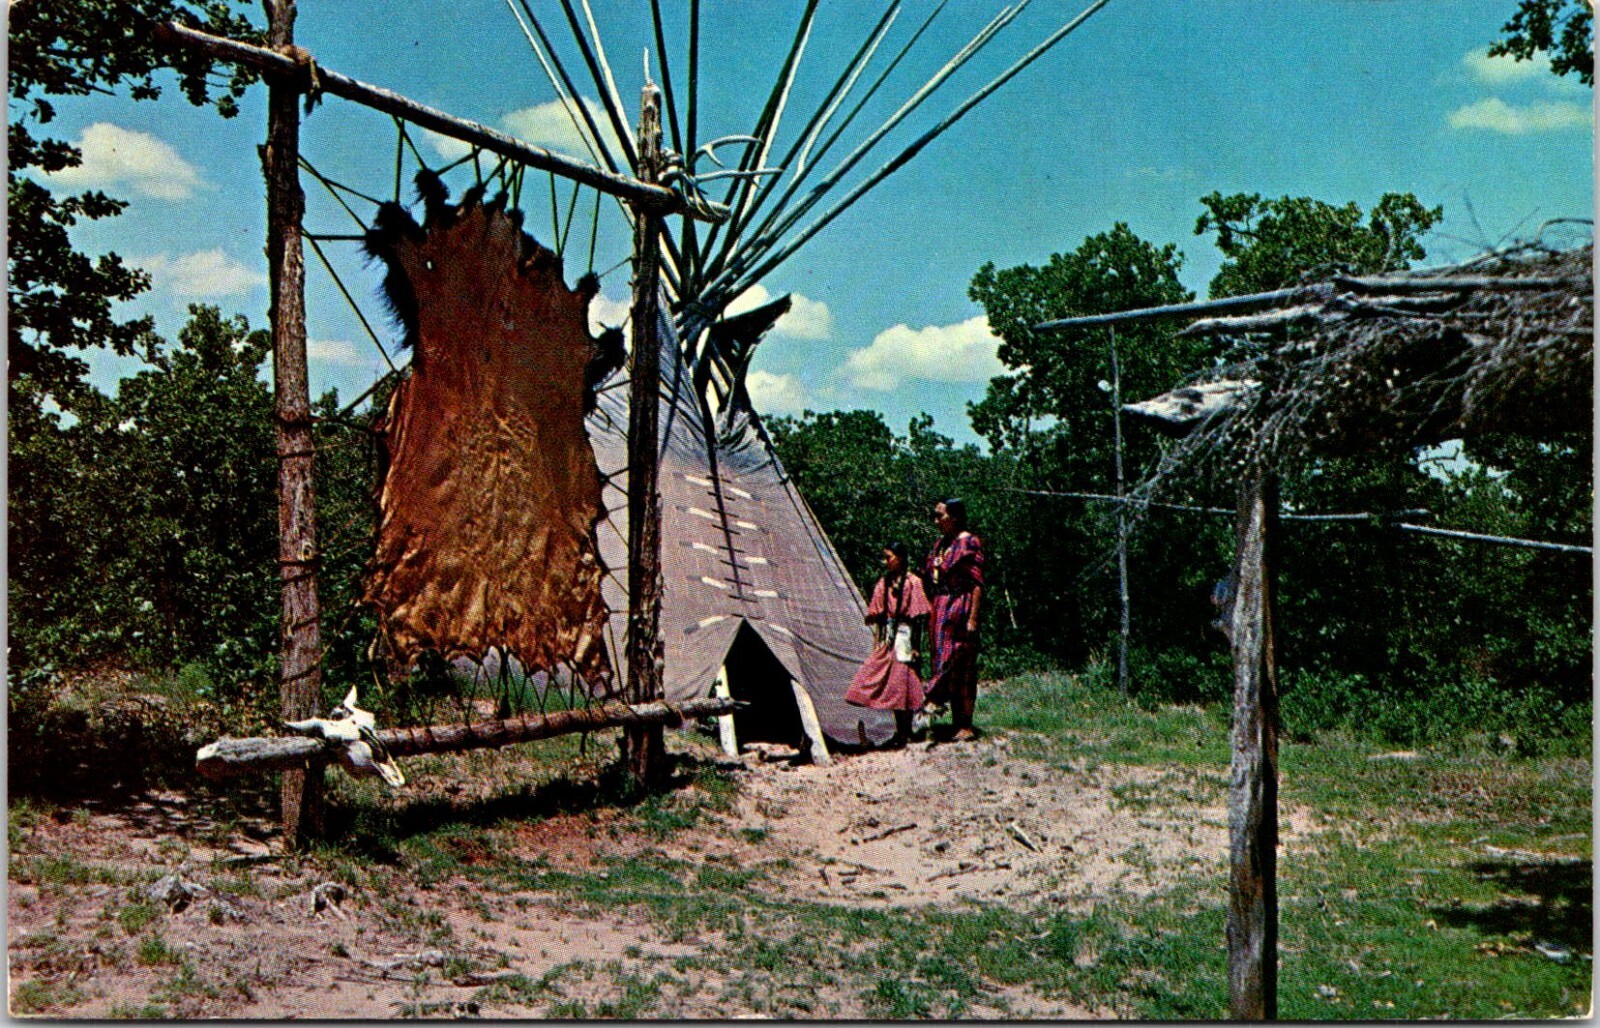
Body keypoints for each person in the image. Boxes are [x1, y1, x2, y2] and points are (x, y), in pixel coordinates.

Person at [845, 542, 933, 746]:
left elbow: (917, 618)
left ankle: (907, 730)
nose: (885, 562)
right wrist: (878, 643)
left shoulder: (913, 582)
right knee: (890, 682)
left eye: (889, 557)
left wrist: (916, 647)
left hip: (906, 636)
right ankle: (901, 730)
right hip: (890, 636)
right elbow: (877, 615)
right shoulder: (884, 583)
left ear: (900, 558)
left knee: (906, 682)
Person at [923, 498, 983, 741]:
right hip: (940, 608)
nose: (936, 521)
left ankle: (964, 723)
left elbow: (977, 583)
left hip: (960, 606)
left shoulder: (969, 542)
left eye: (941, 516)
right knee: (941, 659)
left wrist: (973, 618)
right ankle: (947, 714)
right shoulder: (940, 544)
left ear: (954, 517)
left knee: (961, 662)